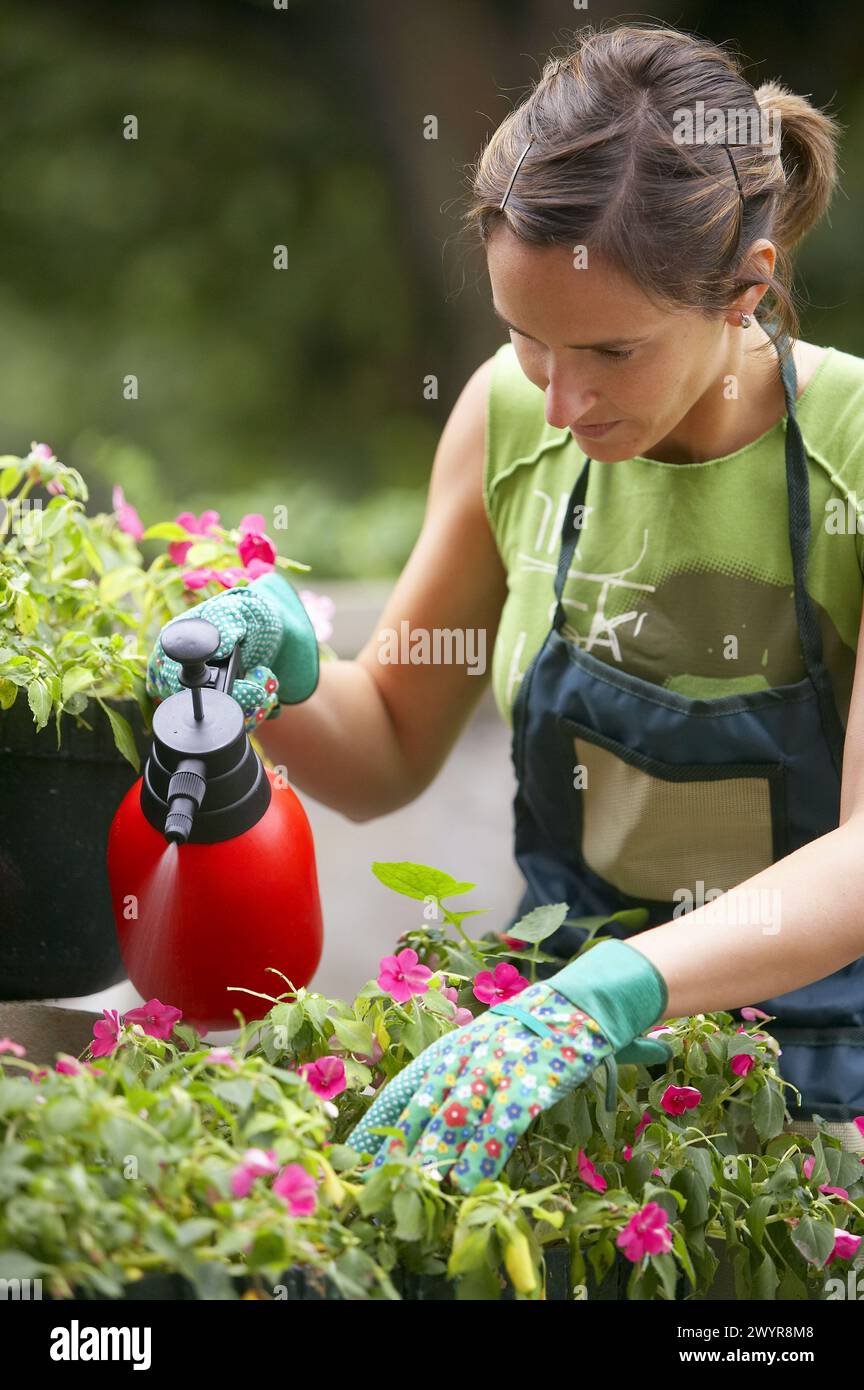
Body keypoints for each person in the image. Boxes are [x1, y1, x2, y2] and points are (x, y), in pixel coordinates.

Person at [148, 23, 864, 1186]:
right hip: (532, 1068)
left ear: (747, 287)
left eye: (612, 351)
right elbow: (383, 750)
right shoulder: (505, 417)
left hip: (827, 1088)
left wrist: (615, 993)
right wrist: (278, 667)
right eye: (526, 337)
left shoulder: (855, 451)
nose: (565, 397)